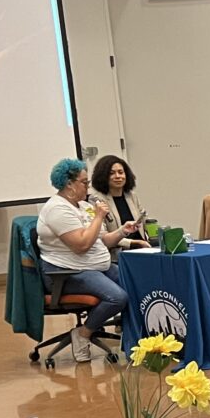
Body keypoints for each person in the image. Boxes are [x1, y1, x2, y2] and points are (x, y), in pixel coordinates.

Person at [36, 157, 129, 363]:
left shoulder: (83, 206)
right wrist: (98, 217)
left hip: (93, 266)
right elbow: (81, 245)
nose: (88, 187)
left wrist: (123, 231)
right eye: (84, 183)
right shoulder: (57, 209)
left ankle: (132, 337)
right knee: (117, 297)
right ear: (69, 184)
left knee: (134, 283)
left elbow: (103, 239)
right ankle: (83, 334)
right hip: (67, 272)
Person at [89, 154, 152, 249]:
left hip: (142, 248)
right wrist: (134, 243)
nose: (118, 176)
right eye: (112, 173)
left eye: (121, 172)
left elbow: (143, 220)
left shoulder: (132, 196)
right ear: (103, 176)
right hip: (118, 252)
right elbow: (102, 236)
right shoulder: (96, 199)